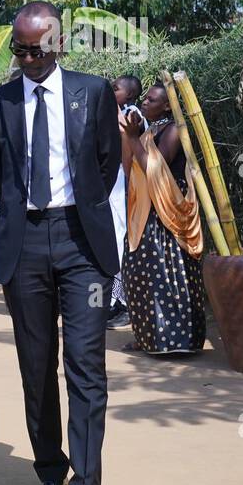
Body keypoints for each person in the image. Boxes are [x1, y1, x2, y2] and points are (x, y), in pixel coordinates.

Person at [0, 1, 121, 485]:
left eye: (38, 48)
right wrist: (29, 219)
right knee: (36, 367)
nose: (28, 58)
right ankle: (49, 474)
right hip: (26, 246)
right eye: (20, 49)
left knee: (86, 368)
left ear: (59, 44)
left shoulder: (93, 93)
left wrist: (77, 211)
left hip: (82, 245)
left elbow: (106, 164)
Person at [120, 83, 206, 355]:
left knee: (169, 274)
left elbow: (157, 171)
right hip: (145, 213)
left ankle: (177, 340)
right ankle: (148, 337)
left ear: (168, 106)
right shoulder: (149, 131)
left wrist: (134, 139)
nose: (145, 103)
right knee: (139, 274)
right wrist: (129, 136)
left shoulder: (175, 130)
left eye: (152, 100)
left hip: (167, 214)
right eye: (145, 99)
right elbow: (129, 170)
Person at [106, 75, 145, 329]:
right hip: (116, 182)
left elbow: (128, 154)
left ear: (129, 95)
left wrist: (128, 182)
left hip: (124, 182)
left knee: (119, 236)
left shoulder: (132, 115)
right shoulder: (119, 111)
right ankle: (114, 300)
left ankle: (121, 303)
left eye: (116, 88)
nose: (112, 89)